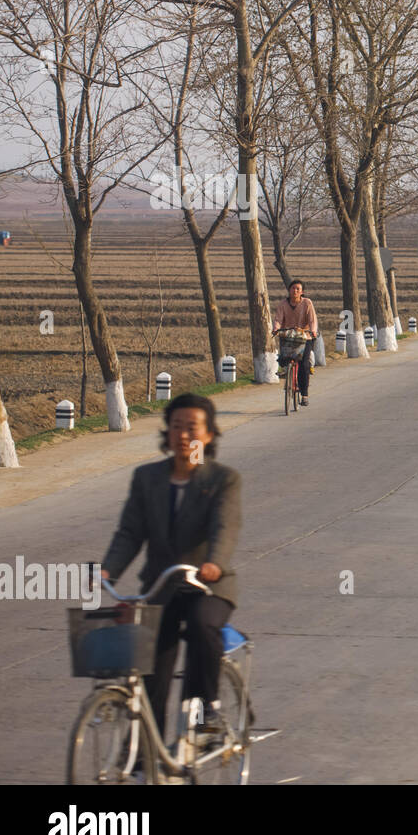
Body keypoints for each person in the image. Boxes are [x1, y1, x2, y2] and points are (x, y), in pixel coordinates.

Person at [100, 393, 241, 744]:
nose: (183, 435)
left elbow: (224, 528)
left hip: (208, 586)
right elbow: (130, 533)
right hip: (159, 587)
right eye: (176, 426)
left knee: (200, 625)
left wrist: (214, 563)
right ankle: (142, 758)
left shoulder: (223, 480)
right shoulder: (147, 478)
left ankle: (208, 709)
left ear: (208, 435)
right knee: (150, 673)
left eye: (192, 427)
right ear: (167, 431)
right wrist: (107, 571)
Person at [272, 279, 319, 406]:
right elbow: (278, 319)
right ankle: (285, 372)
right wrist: (276, 328)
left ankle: (304, 394)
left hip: (305, 337)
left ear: (302, 292)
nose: (295, 291)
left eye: (298, 289)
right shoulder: (283, 304)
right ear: (289, 290)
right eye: (293, 288)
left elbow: (312, 320)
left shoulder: (307, 303)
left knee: (304, 365)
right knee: (283, 358)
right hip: (288, 335)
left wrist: (313, 331)